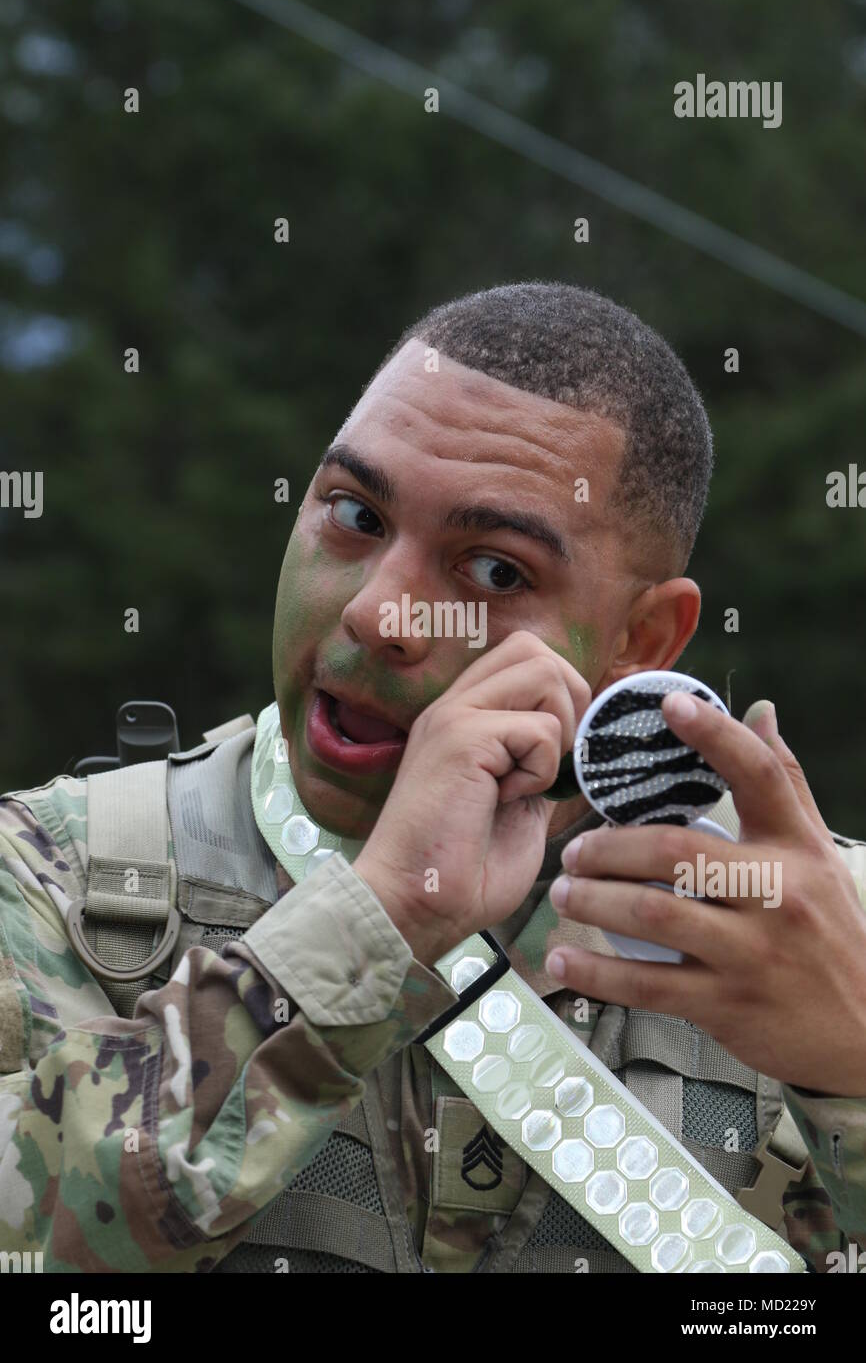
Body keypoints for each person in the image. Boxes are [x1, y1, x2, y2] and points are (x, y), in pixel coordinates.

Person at [1, 282, 864, 1274]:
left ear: (642, 640)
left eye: (494, 571)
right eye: (355, 514)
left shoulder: (821, 933)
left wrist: (849, 1070)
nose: (379, 613)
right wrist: (377, 921)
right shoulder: (54, 877)